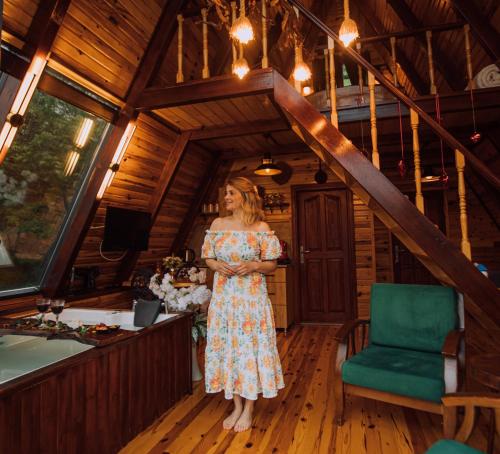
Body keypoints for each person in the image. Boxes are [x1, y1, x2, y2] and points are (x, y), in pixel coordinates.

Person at [201, 177, 284, 432]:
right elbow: (208, 257)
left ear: (245, 196)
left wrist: (254, 265)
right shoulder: (217, 224)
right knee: (229, 349)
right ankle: (236, 406)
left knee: (249, 350)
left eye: (231, 193)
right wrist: (216, 265)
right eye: (226, 193)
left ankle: (249, 408)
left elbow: (272, 264)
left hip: (251, 301)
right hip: (224, 300)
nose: (226, 197)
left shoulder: (261, 227)